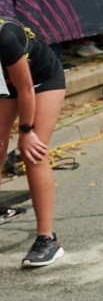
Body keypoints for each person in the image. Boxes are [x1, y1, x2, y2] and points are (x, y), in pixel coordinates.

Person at [0, 18, 67, 268]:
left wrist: (27, 131)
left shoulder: (4, 38)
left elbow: (26, 89)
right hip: (7, 84)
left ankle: (47, 239)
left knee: (33, 152)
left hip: (40, 80)